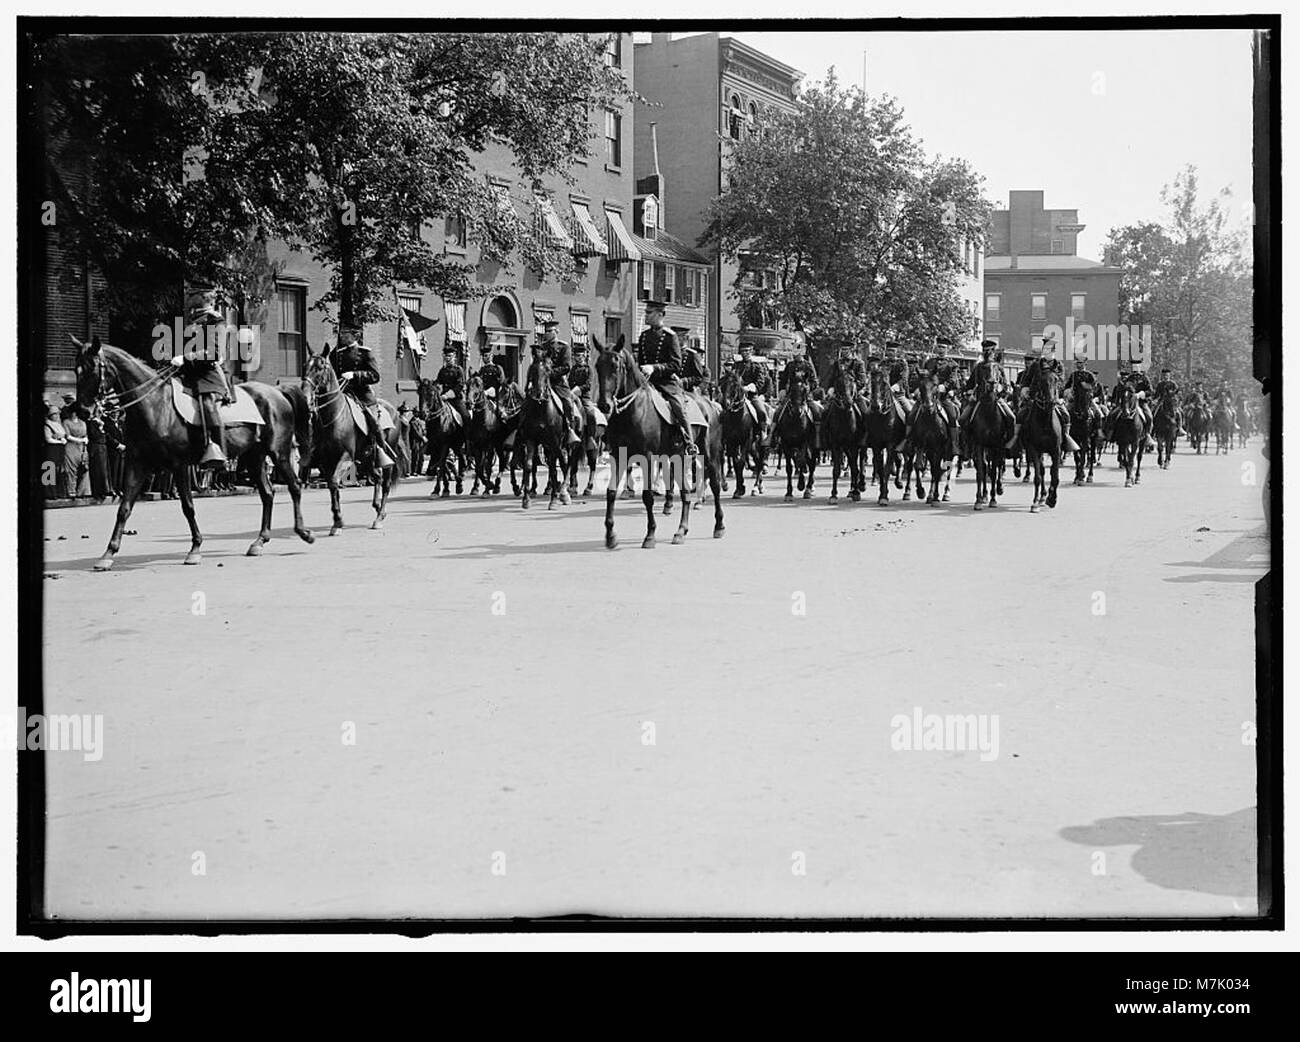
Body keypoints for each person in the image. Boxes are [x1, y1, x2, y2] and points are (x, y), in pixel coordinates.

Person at [172, 287, 234, 468]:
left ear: (203, 297)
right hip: (189, 373)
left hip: (210, 375)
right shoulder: (192, 320)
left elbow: (214, 353)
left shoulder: (215, 321)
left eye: (192, 295)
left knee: (207, 404)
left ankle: (220, 453)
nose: (188, 298)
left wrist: (186, 358)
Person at [331, 326, 396, 469]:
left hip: (362, 396)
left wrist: (355, 375)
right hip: (343, 393)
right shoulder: (337, 354)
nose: (342, 336)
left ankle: (380, 450)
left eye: (345, 334)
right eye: (341, 334)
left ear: (355, 336)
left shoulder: (365, 353)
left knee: (373, 423)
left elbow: (375, 376)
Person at [633, 299, 694, 452]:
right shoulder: (644, 336)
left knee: (678, 407)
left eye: (649, 312)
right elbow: (641, 361)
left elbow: (675, 364)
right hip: (647, 382)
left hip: (666, 383)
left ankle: (689, 442)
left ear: (661, 314)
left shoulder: (670, 336)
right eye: (646, 312)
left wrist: (654, 368)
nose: (645, 315)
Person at [533, 319, 581, 447]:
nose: (547, 333)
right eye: (546, 331)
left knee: (567, 403)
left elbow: (566, 367)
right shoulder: (542, 348)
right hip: (542, 383)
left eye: (550, 331)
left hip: (558, 383)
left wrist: (550, 373)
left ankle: (570, 430)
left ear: (556, 332)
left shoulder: (564, 347)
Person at [960, 339, 1015, 433]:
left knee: (1012, 418)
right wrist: (969, 392)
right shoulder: (978, 367)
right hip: (979, 399)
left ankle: (1010, 440)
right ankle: (965, 442)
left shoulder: (998, 367)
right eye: (985, 351)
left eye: (990, 351)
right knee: (962, 419)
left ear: (993, 352)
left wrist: (1001, 389)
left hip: (997, 400)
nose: (987, 353)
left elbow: (1005, 386)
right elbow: (969, 385)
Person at [735, 340, 772, 443]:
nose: (745, 353)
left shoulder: (757, 365)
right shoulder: (736, 365)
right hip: (737, 395)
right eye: (743, 351)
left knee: (761, 411)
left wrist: (751, 387)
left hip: (751, 396)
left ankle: (763, 433)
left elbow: (760, 382)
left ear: (751, 352)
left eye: (747, 351)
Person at [828, 338, 868, 423]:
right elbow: (832, 378)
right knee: (825, 412)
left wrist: (852, 389)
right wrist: (831, 388)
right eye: (842, 349)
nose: (844, 351)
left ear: (851, 350)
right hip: (838, 394)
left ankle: (866, 434)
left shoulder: (859, 363)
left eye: (846, 349)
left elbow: (862, 380)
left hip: (854, 394)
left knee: (865, 413)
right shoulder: (837, 363)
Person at [434, 344, 470, 427]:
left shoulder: (458, 370)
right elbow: (438, 382)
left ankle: (467, 438)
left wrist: (447, 395)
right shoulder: (442, 370)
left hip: (456, 399)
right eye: (446, 356)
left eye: (450, 356)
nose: (447, 358)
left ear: (454, 357)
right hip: (443, 398)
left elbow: (459, 386)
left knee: (466, 416)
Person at [61, 401, 91, 498]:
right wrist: (81, 439)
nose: (73, 414)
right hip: (71, 447)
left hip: (81, 447)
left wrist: (85, 440)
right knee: (71, 470)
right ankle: (71, 490)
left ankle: (82, 491)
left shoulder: (83, 423)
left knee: (84, 469)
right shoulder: (66, 422)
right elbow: (68, 436)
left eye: (75, 412)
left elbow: (85, 434)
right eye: (72, 412)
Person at [43, 396, 67, 500]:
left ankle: (58, 492)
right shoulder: (47, 425)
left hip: (59, 450)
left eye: (57, 414)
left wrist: (63, 440)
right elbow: (48, 439)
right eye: (54, 414)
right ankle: (49, 493)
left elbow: (63, 435)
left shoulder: (59, 424)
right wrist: (59, 441)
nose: (56, 416)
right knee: (49, 471)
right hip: (51, 450)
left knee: (59, 472)